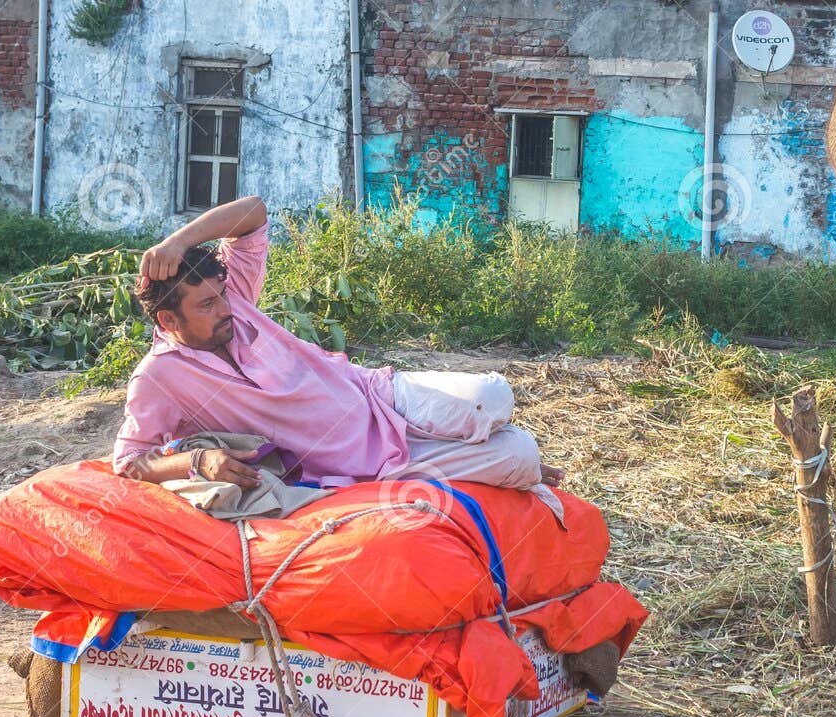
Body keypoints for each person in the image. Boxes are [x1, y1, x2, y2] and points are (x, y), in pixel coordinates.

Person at [112, 196, 565, 522]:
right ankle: (485, 447)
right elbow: (130, 462)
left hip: (377, 395)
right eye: (205, 306)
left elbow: (253, 212)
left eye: (220, 297)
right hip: (364, 466)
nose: (223, 309)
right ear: (169, 320)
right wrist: (198, 462)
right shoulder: (158, 376)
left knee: (493, 395)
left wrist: (177, 242)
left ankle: (472, 431)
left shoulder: (238, 301)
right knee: (519, 454)